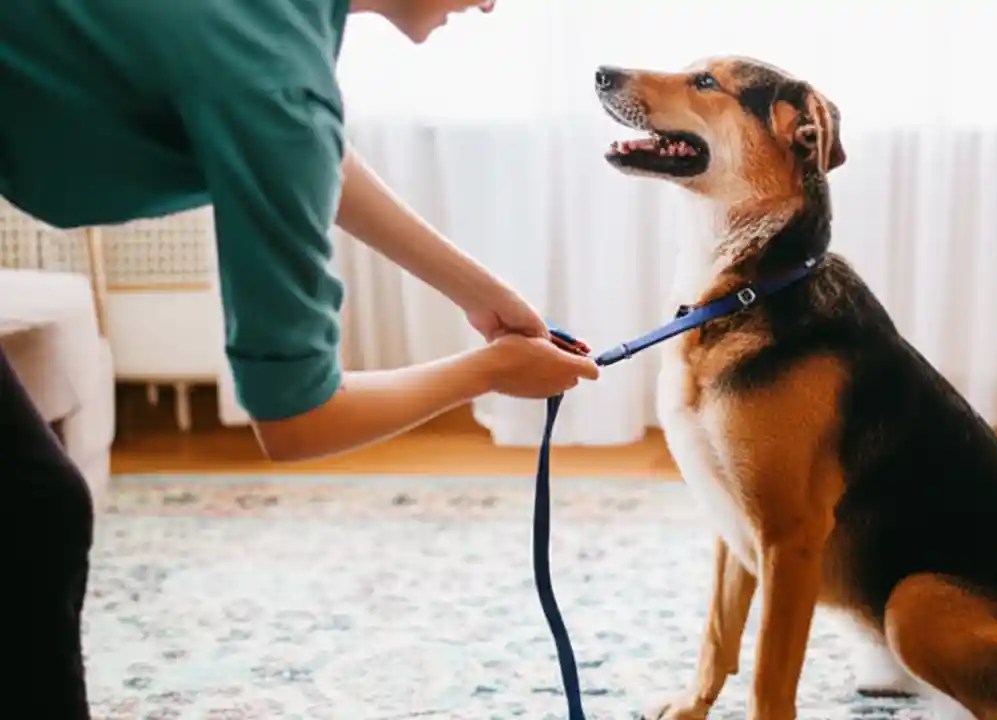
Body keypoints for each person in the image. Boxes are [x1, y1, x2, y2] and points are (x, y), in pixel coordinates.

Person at [0, 0, 599, 716]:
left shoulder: (276, 32)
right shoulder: (277, 80)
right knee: (36, 513)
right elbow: (295, 420)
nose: (492, 3)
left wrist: (478, 291)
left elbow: (306, 146)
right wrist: (490, 373)